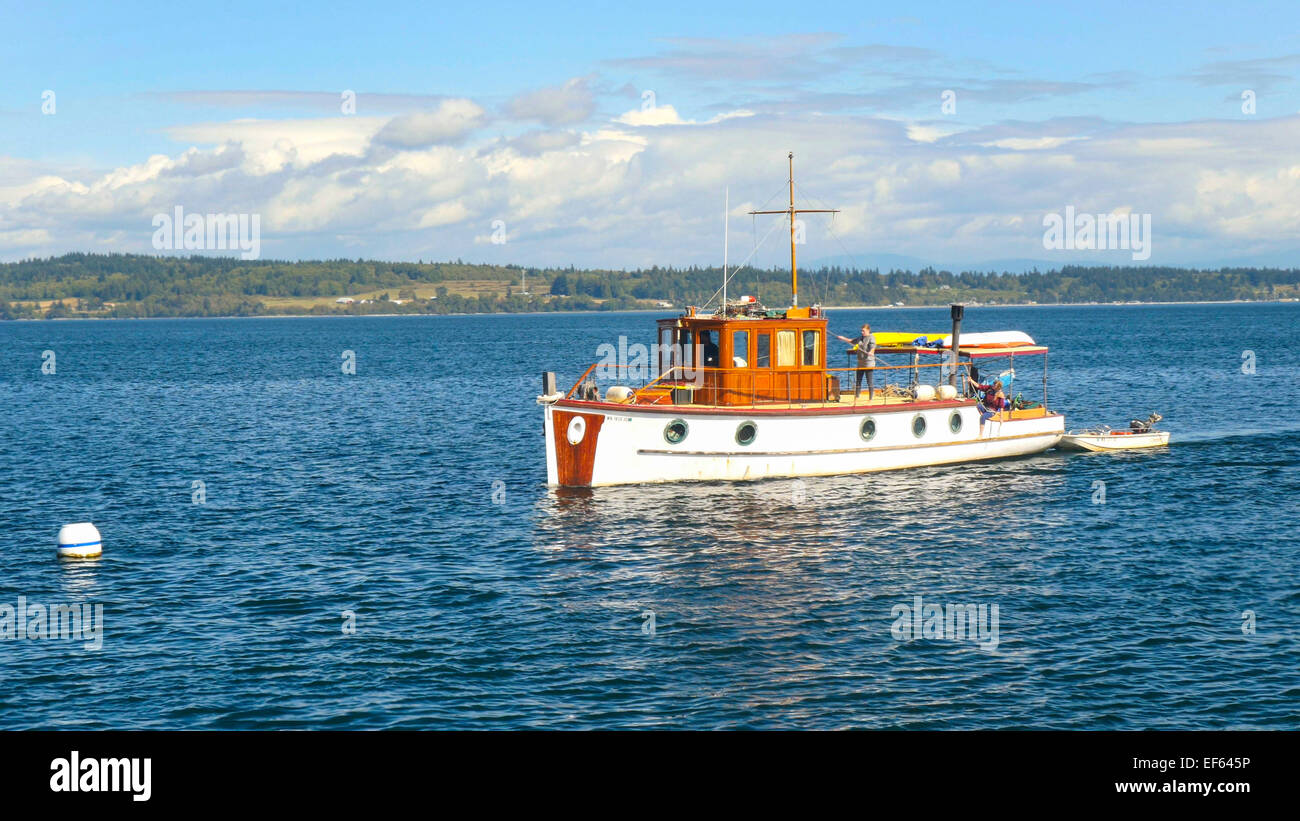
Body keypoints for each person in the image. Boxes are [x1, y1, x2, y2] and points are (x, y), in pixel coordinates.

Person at [834, 323, 877, 399]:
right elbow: (852, 341)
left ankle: (871, 397)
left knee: (869, 380)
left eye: (863, 331)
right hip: (860, 362)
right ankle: (857, 397)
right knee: (858, 380)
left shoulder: (871, 337)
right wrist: (843, 338)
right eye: (861, 331)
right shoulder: (860, 338)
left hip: (868, 362)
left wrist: (871, 352)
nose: (862, 332)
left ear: (868, 330)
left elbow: (873, 347)